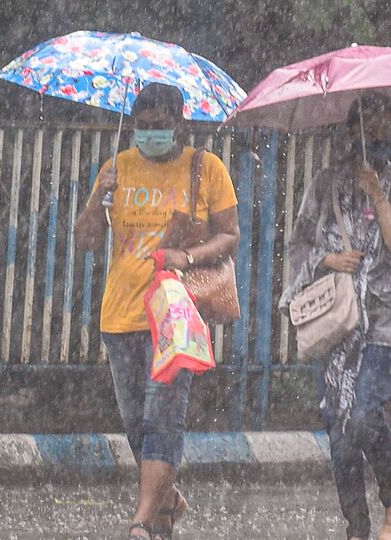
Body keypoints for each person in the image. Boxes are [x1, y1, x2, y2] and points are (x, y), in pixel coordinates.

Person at [75, 82, 240, 540]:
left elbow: (231, 235)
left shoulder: (206, 169)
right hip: (121, 314)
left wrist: (187, 258)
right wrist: (97, 198)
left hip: (175, 316)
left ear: (179, 125)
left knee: (162, 417)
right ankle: (166, 503)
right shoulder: (116, 168)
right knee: (134, 422)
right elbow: (87, 240)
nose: (150, 135)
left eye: (159, 127)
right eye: (142, 128)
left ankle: (142, 521)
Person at [279, 92, 391, 540]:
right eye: (370, 127)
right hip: (337, 322)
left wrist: (377, 194)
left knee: (363, 416)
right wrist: (328, 259)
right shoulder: (324, 185)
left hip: (384, 318)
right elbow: (299, 245)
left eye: (386, 128)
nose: (378, 136)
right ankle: (356, 529)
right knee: (340, 433)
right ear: (351, 132)